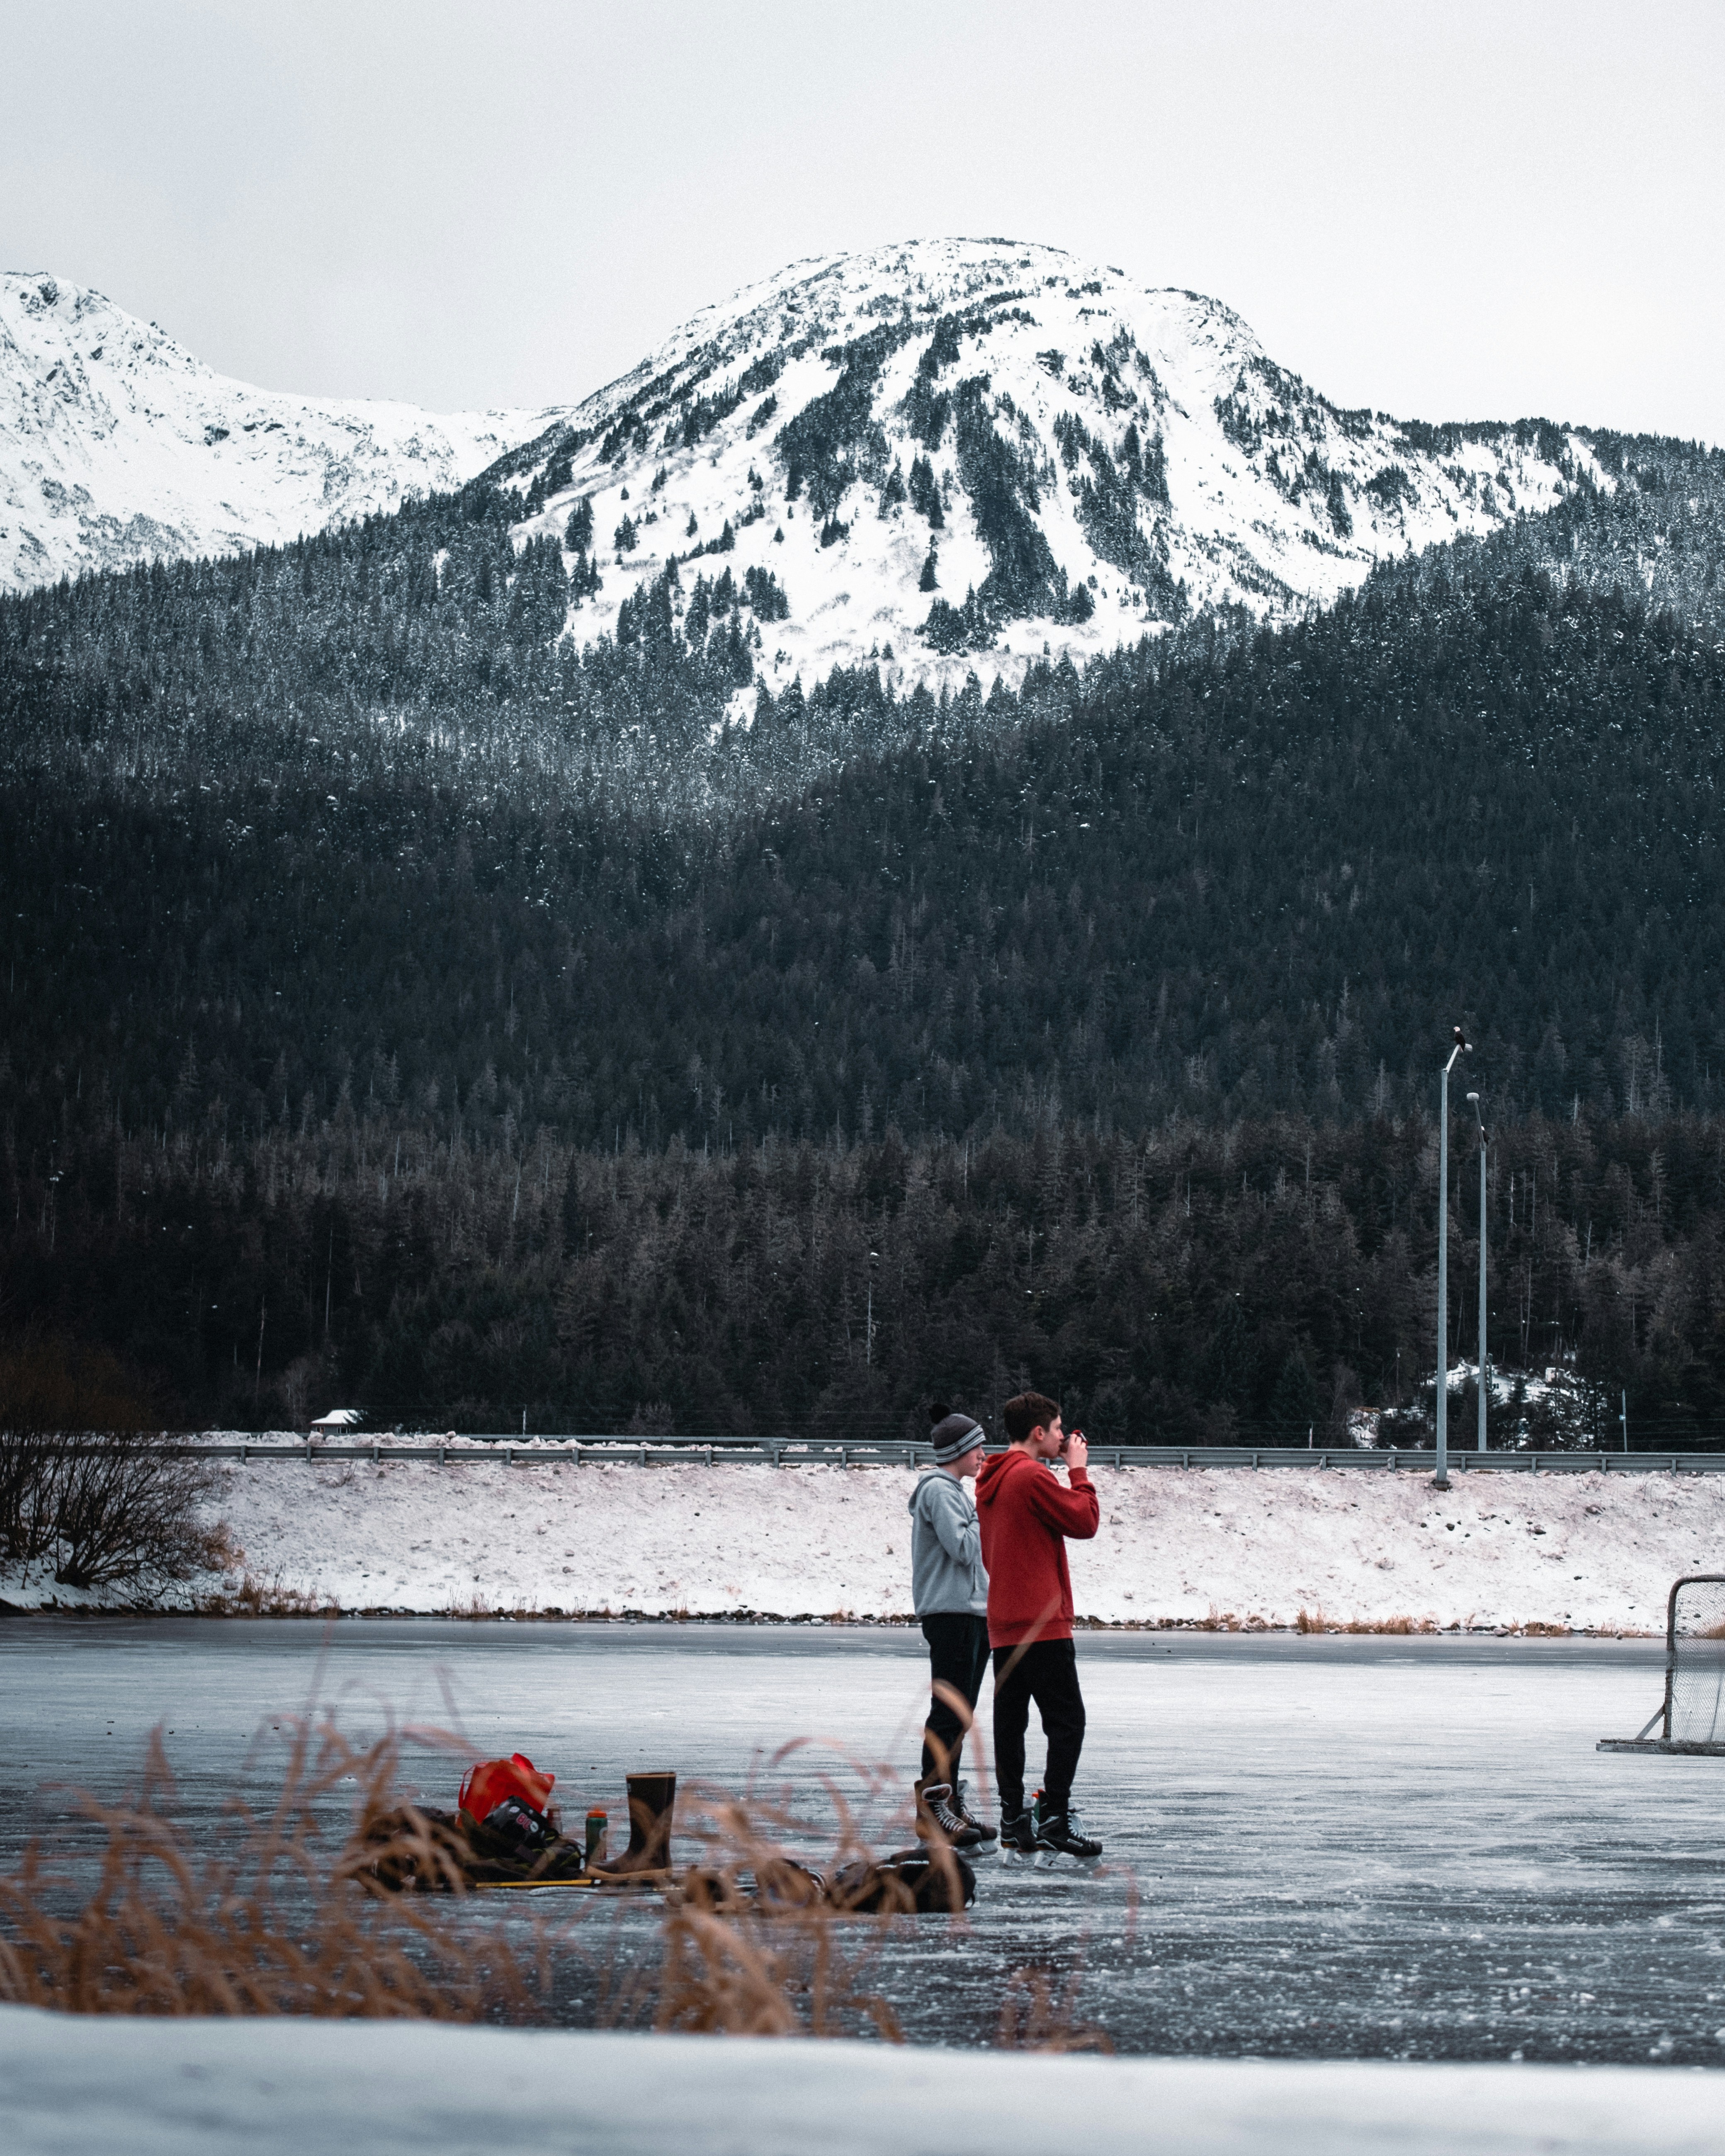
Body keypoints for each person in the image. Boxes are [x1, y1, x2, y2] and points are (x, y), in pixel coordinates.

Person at [974, 1390, 1102, 1863]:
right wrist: (1078, 1469)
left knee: (1011, 1723)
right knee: (1067, 1722)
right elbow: (1085, 1520)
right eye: (1056, 1429)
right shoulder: (1030, 1476)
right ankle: (1053, 1816)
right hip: (1042, 1623)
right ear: (1037, 1432)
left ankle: (1013, 1819)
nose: (1061, 1436)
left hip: (1003, 1621)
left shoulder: (989, 1478)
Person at [907, 1403, 998, 1851]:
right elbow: (963, 1548)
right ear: (959, 1450)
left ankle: (948, 1802)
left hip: (970, 1612)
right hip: (950, 1614)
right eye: (977, 1446)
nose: (983, 1453)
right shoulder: (940, 1491)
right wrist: (986, 1512)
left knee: (959, 1715)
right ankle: (932, 1808)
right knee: (948, 1713)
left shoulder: (956, 1491)